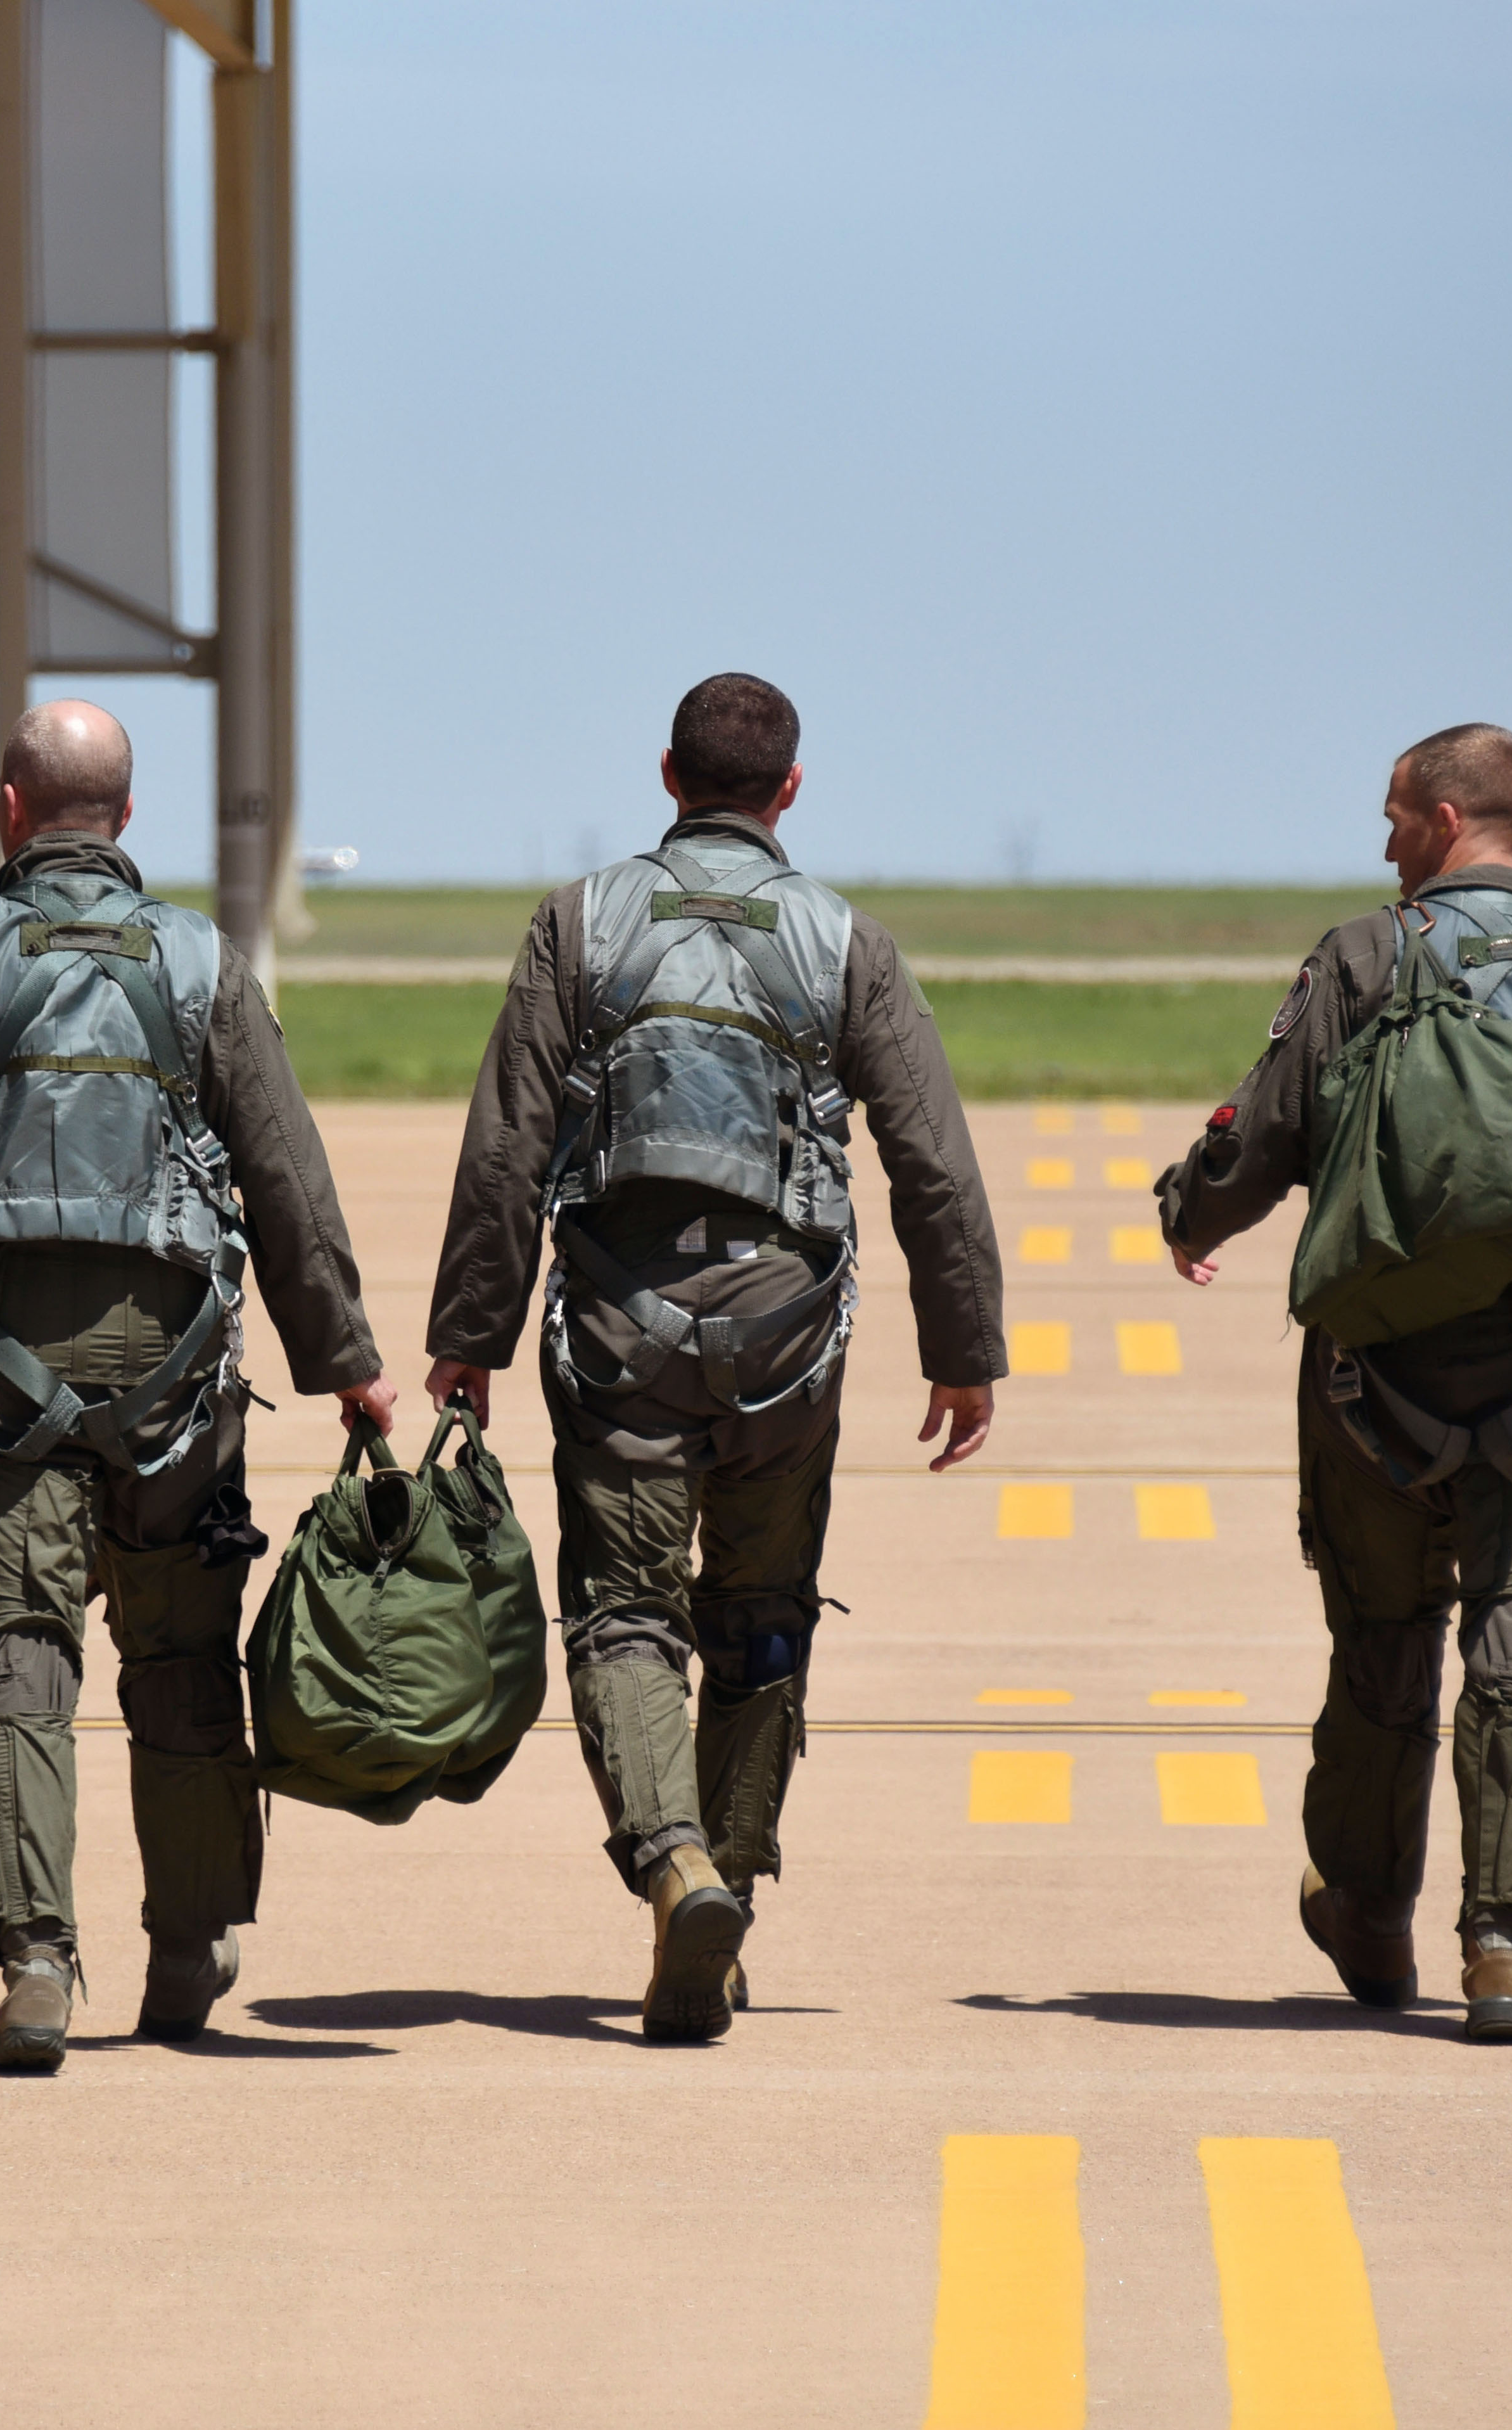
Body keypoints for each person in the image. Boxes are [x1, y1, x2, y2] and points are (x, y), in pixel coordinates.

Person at [422, 673, 1007, 2045]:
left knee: (624, 1613)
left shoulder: (579, 923)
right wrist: (962, 1346)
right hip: (787, 1338)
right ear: (787, 791)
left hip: (619, 1329)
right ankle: (728, 1890)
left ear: (666, 776)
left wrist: (468, 1335)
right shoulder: (841, 939)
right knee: (759, 1621)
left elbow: (507, 1143)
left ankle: (673, 1861)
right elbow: (928, 1157)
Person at [0, 699, 393, 2073]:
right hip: (177, 1384)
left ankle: (31, 1960)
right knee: (181, 1657)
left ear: (9, 811)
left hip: (1, 1381)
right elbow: (286, 1180)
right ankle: (188, 1946)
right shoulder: (201, 962)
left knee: (16, 1653)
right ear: (123, 818)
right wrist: (348, 1365)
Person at [1157, 722, 1512, 2044]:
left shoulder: (1361, 956)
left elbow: (1262, 1130)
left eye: (1395, 815)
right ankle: (1503, 1944)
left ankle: (1364, 1909)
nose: (1382, 840)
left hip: (1370, 1387)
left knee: (1379, 1640)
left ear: (1448, 819)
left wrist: (1189, 1212)